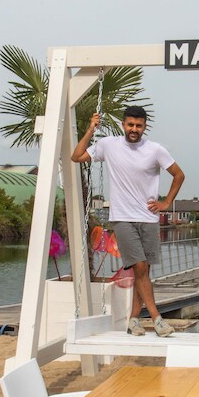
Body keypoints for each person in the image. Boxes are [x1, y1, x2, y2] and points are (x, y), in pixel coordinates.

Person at [72, 105, 185, 337]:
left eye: (139, 126)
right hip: (122, 218)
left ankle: (133, 320)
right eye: (130, 124)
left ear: (144, 127)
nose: (134, 129)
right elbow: (77, 156)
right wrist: (91, 129)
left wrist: (166, 203)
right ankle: (157, 319)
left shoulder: (155, 150)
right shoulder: (108, 145)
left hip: (149, 218)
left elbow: (179, 175)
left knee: (142, 273)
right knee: (140, 267)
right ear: (123, 124)